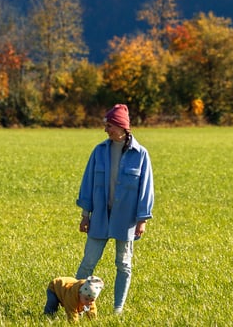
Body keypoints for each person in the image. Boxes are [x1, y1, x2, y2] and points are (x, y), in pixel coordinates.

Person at [75, 104, 154, 315]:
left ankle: (118, 309)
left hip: (126, 219)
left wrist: (142, 219)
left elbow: (146, 189)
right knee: (88, 262)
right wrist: (85, 215)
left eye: (109, 125)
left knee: (124, 264)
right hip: (100, 216)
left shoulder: (141, 154)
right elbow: (88, 184)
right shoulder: (99, 152)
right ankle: (75, 305)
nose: (106, 130)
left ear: (121, 127)